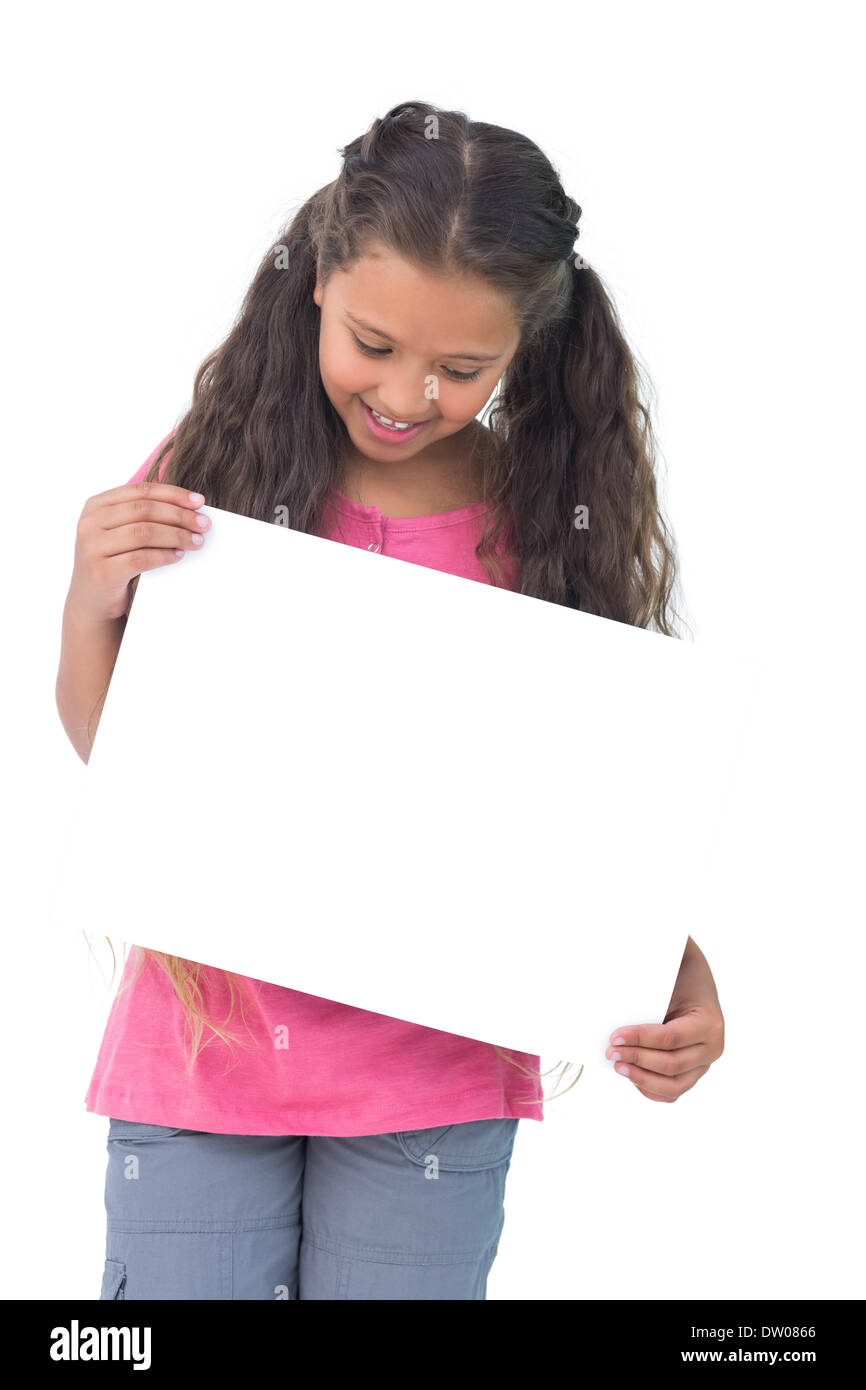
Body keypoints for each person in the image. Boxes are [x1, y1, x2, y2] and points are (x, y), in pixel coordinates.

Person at [55, 99, 725, 1301]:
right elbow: (120, 752)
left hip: (432, 1077)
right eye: (375, 341)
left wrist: (671, 971)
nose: (409, 393)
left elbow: (578, 810)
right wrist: (88, 597)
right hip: (202, 1055)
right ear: (314, 279)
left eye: (461, 369)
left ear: (523, 348)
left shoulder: (542, 532)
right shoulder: (211, 472)